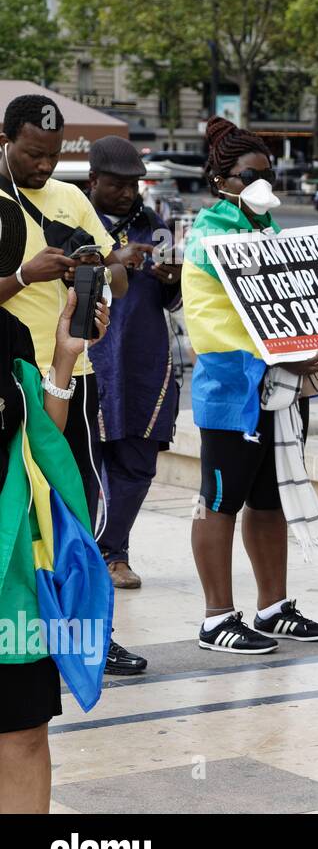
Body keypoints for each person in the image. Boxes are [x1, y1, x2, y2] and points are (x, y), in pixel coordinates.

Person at [182, 116, 318, 655]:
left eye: (267, 174)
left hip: (280, 391)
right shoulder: (211, 236)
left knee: (269, 498)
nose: (263, 184)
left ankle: (273, 606)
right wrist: (291, 350)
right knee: (219, 501)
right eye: (250, 174)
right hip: (234, 392)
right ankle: (216, 619)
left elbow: (297, 302)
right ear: (221, 180)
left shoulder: (267, 233)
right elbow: (234, 319)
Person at [0, 195, 112, 812]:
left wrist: (65, 355)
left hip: (13, 568)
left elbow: (39, 437)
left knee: (22, 732)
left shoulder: (11, 333)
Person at [0, 95, 131, 527]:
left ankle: (72, 584)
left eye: (54, 155)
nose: (45, 166)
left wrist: (94, 271)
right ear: (4, 141)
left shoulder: (71, 196)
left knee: (73, 495)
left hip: (71, 373)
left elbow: (121, 276)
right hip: (10, 376)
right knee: (15, 496)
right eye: (34, 154)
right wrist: (24, 275)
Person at [85, 137, 181, 599]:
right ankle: (81, 555)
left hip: (144, 356)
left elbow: (174, 300)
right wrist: (111, 261)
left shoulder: (155, 225)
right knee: (83, 461)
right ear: (94, 181)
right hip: (88, 354)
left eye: (133, 185)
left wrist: (174, 278)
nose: (127, 194)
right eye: (117, 185)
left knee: (138, 459)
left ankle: (114, 551)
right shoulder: (73, 220)